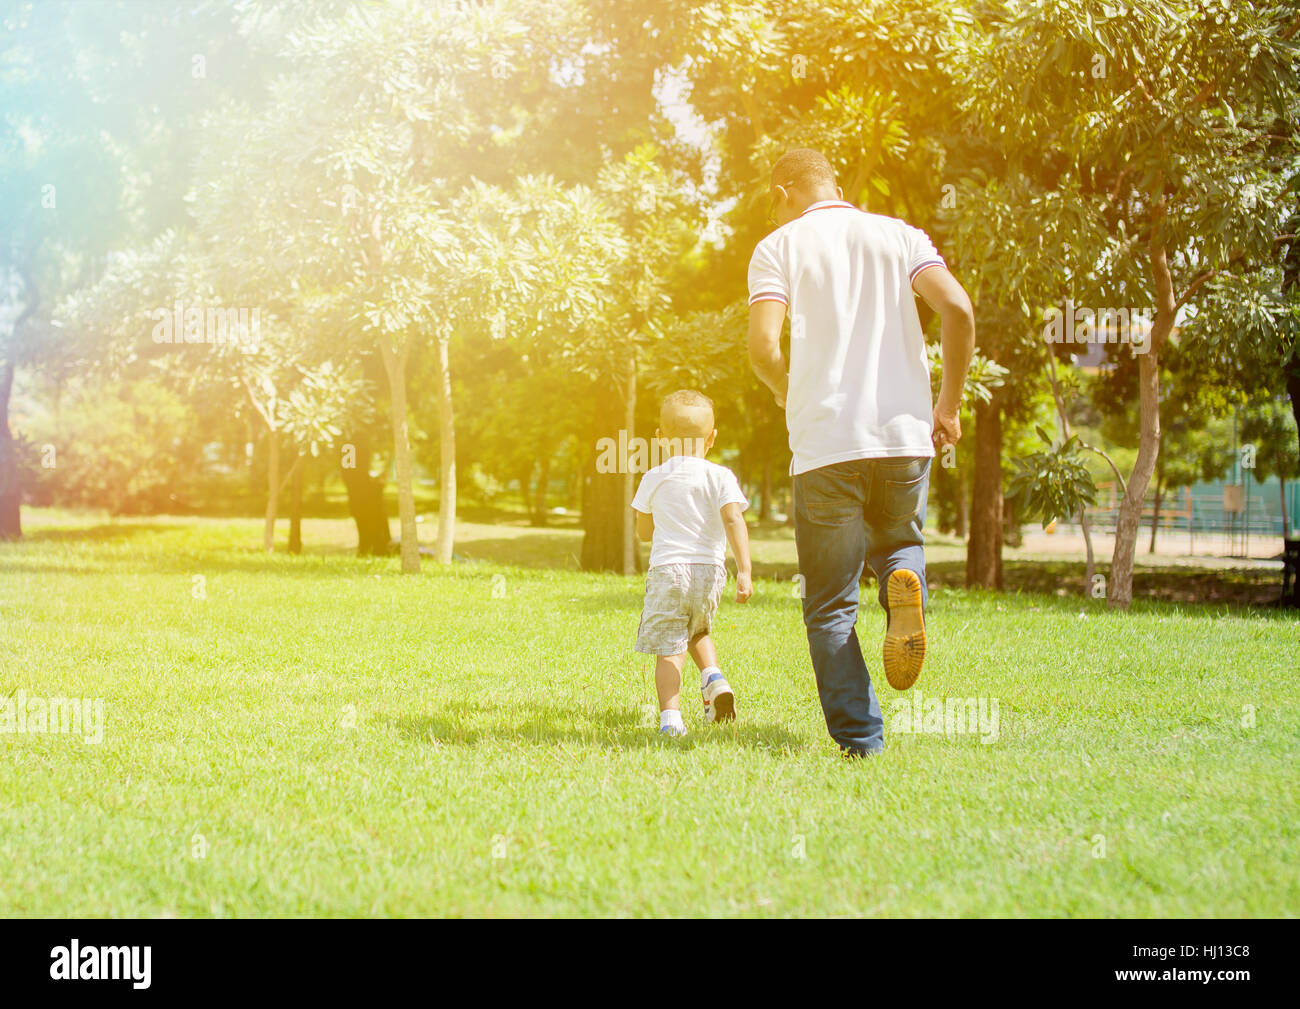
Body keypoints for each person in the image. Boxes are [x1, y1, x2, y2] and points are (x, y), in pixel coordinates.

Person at [746, 148, 975, 757]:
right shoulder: (900, 235)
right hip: (904, 438)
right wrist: (946, 409)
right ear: (836, 186)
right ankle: (905, 578)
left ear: (784, 190)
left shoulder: (779, 246)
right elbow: (957, 308)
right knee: (898, 540)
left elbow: (764, 345)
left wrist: (784, 392)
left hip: (826, 445)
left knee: (828, 605)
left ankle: (862, 739)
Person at [632, 390, 753, 737]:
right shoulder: (721, 476)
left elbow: (643, 532)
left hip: (669, 571)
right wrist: (744, 571)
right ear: (712, 438)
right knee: (698, 630)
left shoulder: (654, 477)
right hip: (710, 572)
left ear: (660, 438)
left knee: (669, 646)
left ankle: (671, 720)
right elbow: (733, 520)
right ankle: (713, 679)